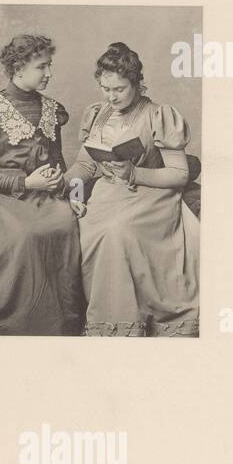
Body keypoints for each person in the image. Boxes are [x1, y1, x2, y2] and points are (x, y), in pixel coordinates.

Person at [0, 34, 85, 335]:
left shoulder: (51, 109)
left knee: (66, 224)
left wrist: (68, 192)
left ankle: (61, 323)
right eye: (41, 67)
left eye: (49, 66)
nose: (49, 73)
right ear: (18, 68)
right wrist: (26, 181)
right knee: (25, 235)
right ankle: (22, 323)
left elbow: (58, 160)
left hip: (43, 194)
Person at [64, 42, 200, 337]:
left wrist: (134, 172)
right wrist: (71, 190)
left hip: (149, 195)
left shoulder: (159, 115)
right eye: (105, 88)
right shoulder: (97, 115)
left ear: (137, 84)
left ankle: (122, 324)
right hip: (106, 195)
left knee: (118, 231)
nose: (111, 97)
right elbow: (84, 166)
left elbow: (179, 174)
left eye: (120, 89)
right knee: (81, 227)